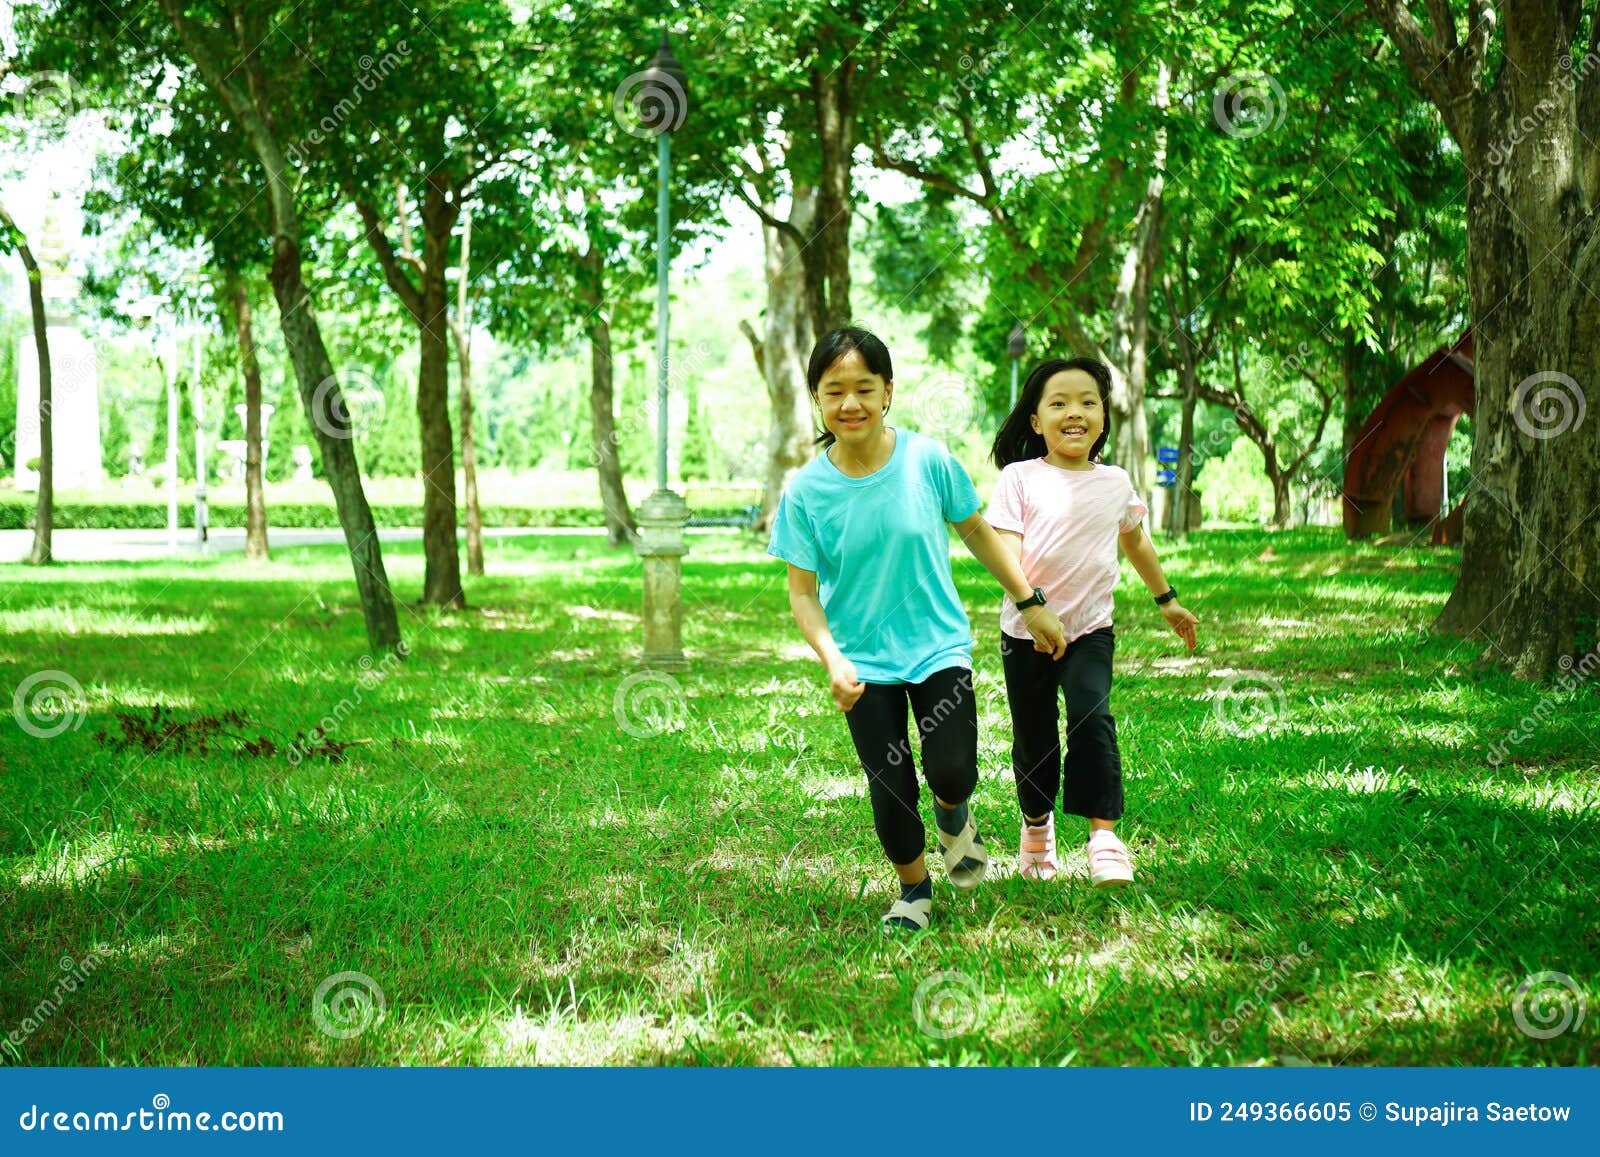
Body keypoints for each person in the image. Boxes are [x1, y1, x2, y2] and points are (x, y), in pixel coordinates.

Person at [768, 327, 1067, 932]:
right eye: (834, 391)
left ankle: (954, 814)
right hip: (862, 661)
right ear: (818, 401)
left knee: (952, 770)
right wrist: (832, 659)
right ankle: (913, 891)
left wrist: (1029, 600)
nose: (849, 403)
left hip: (937, 647)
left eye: (863, 388)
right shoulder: (806, 491)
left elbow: (979, 532)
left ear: (887, 393)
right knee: (890, 785)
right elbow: (802, 593)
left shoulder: (928, 460)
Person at [986, 356, 1199, 886]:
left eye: (1087, 402)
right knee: (1034, 738)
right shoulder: (1019, 478)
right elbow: (1004, 551)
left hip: (1089, 630)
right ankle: (1036, 828)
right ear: (1036, 422)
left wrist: (1166, 599)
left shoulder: (1115, 482)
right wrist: (1034, 608)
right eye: (1058, 403)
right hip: (1027, 633)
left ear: (1104, 417)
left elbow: (1134, 538)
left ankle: (1104, 836)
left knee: (1092, 717)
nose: (1074, 412)